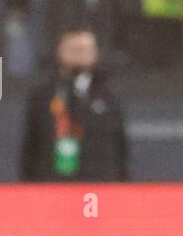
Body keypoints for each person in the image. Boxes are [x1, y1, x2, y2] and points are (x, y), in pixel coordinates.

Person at [20, 27, 128, 181]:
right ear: (60, 51)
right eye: (73, 49)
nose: (79, 54)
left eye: (84, 49)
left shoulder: (109, 97)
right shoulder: (42, 97)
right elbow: (29, 152)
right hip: (53, 191)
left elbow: (121, 152)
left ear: (94, 53)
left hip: (99, 191)